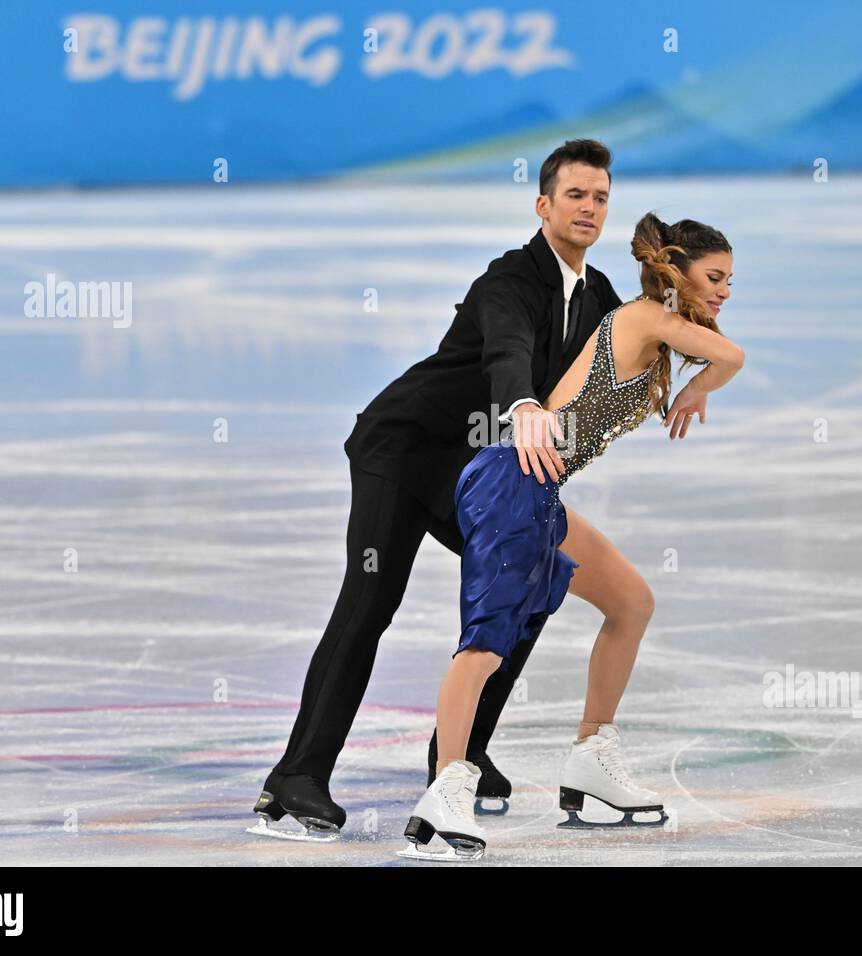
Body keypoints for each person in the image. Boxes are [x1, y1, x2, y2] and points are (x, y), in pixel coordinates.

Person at [249, 140, 627, 841]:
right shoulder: (508, 280)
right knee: (370, 602)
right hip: (403, 451)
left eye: (600, 197)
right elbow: (507, 349)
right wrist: (524, 408)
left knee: (532, 576)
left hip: (469, 468)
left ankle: (458, 753)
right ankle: (293, 781)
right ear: (542, 205)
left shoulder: (597, 295)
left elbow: (633, 341)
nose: (589, 208)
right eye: (575, 195)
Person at [399, 212, 745, 860]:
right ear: (679, 270)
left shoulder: (663, 331)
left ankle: (591, 756)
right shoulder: (647, 317)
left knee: (631, 603)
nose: (725, 291)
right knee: (483, 648)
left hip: (538, 493)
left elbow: (720, 352)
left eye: (730, 281)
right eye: (716, 277)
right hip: (510, 483)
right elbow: (732, 355)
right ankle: (445, 791)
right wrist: (701, 382)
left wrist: (697, 377)